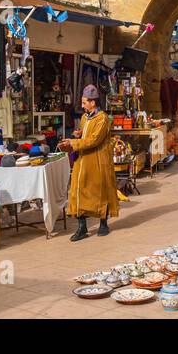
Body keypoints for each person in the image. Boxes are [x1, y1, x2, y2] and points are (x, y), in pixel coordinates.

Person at [58, 85, 118, 241]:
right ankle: (82, 227)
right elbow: (86, 134)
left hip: (97, 160)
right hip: (83, 159)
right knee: (78, 190)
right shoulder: (85, 117)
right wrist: (78, 134)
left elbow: (94, 140)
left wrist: (73, 143)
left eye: (85, 103)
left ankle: (103, 223)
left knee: (99, 190)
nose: (83, 106)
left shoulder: (103, 119)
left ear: (93, 102)